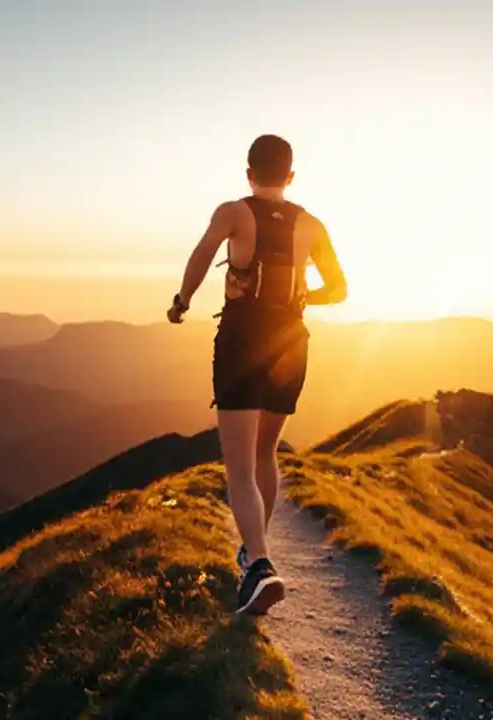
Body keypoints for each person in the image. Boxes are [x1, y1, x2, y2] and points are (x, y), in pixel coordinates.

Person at [167, 134, 347, 615]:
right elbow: (339, 289)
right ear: (291, 176)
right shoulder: (312, 224)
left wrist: (181, 303)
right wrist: (304, 296)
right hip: (291, 345)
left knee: (239, 466)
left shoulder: (233, 213)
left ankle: (258, 565)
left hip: (242, 344)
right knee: (266, 452)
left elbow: (201, 256)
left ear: (249, 173)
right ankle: (255, 554)